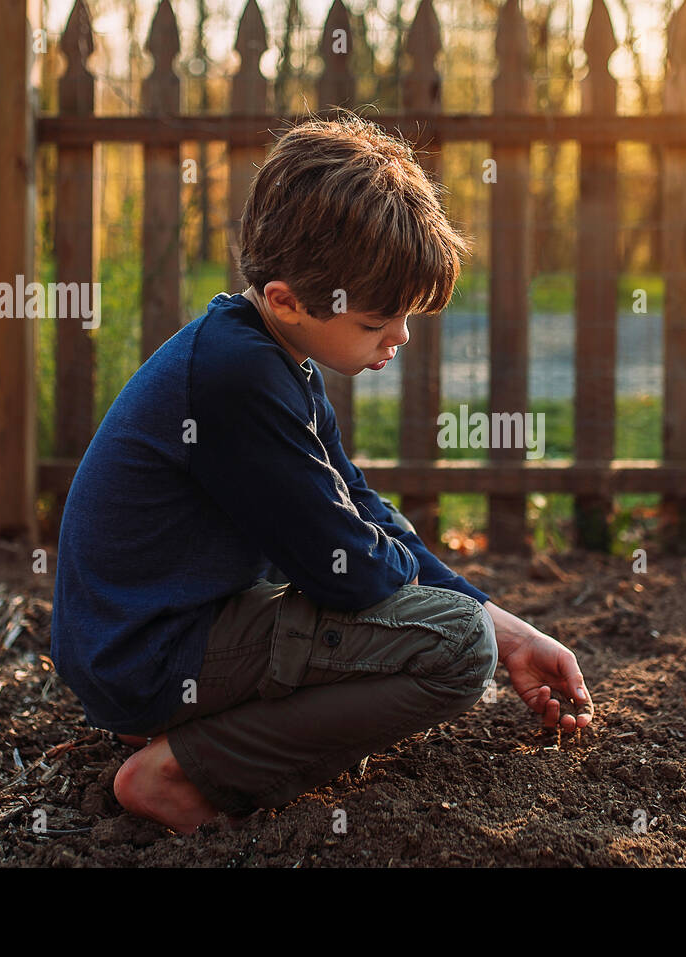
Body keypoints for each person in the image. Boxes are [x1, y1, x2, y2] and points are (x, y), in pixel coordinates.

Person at [50, 114, 593, 834]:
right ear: (286, 300)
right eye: (378, 321)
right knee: (459, 648)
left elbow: (358, 507)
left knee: (473, 630)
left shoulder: (265, 353)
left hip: (150, 640)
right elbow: (351, 572)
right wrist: (474, 626)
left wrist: (511, 630)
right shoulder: (236, 378)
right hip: (147, 654)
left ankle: (191, 725)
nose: (399, 337)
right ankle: (185, 770)